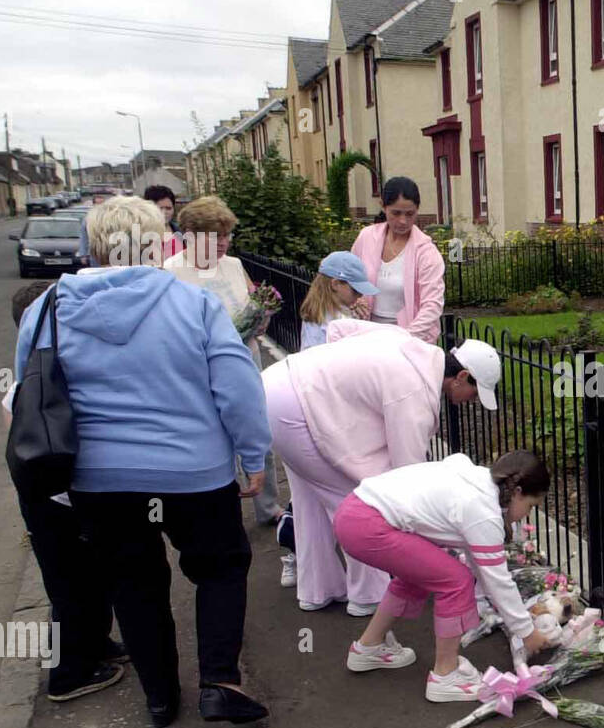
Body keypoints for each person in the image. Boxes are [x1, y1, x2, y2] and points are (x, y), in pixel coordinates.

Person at [15, 195, 274, 727]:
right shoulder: (192, 305)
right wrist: (252, 456)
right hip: (194, 473)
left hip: (99, 479)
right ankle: (220, 681)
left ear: (93, 246)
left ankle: (160, 698)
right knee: (221, 568)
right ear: (159, 243)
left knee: (133, 582)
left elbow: (29, 393)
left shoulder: (47, 310)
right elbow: (237, 387)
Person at [262, 323, 501, 615]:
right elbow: (407, 479)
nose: (471, 403)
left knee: (310, 501)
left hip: (278, 385)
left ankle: (318, 590)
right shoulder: (414, 391)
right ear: (461, 377)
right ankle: (368, 596)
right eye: (474, 395)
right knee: (357, 502)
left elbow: (337, 329)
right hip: (298, 408)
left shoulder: (407, 344)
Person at [334, 450, 551, 701]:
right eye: (531, 505)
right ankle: (445, 676)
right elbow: (496, 580)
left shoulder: (479, 484)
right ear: (517, 492)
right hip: (366, 524)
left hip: (354, 511)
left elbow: (483, 568)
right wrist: (527, 632)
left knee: (421, 576)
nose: (527, 513)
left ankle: (369, 647)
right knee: (455, 581)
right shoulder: (484, 513)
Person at [4, 281, 128, 703]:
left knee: (91, 580)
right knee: (69, 587)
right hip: (52, 500)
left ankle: (95, 645)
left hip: (60, 497)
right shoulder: (34, 382)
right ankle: (68, 672)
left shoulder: (43, 370)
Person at [165, 195, 285, 527]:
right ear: (190, 234)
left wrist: (261, 319)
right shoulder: (171, 272)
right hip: (201, 372)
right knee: (217, 445)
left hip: (246, 362)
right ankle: (225, 514)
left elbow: (253, 302)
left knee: (258, 435)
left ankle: (269, 506)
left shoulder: (232, 265)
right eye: (216, 236)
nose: (224, 242)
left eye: (227, 235)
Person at [351, 176, 445, 343]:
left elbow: (432, 306)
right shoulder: (366, 237)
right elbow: (349, 280)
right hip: (367, 336)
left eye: (410, 214)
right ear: (383, 206)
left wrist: (405, 340)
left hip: (411, 339)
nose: (403, 221)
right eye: (396, 213)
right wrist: (356, 300)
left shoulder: (426, 252)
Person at [299, 251, 378, 350]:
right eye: (355, 290)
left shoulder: (339, 311)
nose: (360, 295)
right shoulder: (322, 320)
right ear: (335, 284)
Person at [142, 184, 183, 258]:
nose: (164, 212)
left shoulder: (181, 231)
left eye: (168, 208)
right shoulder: (140, 235)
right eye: (160, 208)